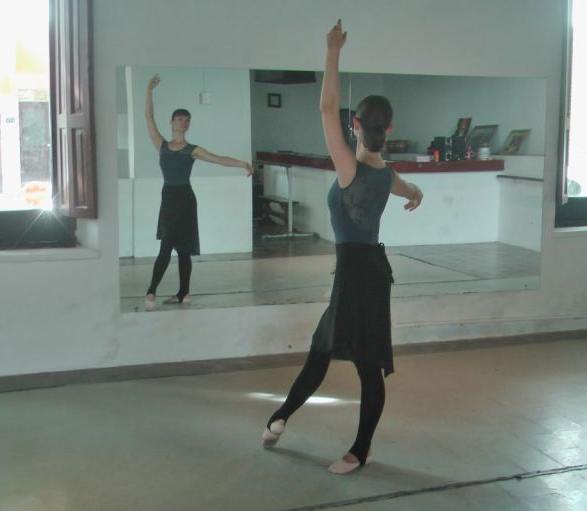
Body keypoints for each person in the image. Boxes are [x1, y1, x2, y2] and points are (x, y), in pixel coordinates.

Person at [260, 20, 424, 475]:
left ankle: (360, 448)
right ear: (389, 128)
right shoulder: (387, 175)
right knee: (323, 349)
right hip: (364, 270)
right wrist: (416, 195)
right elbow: (410, 189)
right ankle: (278, 417)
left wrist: (332, 50)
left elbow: (326, 107)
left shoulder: (350, 169)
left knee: (363, 365)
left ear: (358, 125)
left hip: (361, 274)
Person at [144, 74, 253, 311]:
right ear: (172, 122)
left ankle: (171, 293)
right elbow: (148, 117)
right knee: (167, 246)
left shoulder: (192, 150)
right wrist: (149, 90)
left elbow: (218, 159)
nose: (183, 123)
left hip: (185, 199)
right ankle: (163, 292)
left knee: (181, 248)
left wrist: (242, 163)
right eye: (180, 119)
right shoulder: (161, 146)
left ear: (188, 124)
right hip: (169, 199)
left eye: (187, 120)